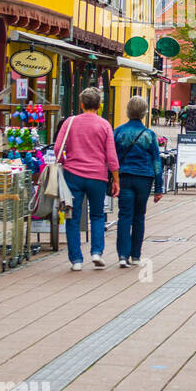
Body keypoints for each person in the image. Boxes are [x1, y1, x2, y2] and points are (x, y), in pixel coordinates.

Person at [54, 88, 120, 271]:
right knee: (98, 215)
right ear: (99, 105)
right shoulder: (104, 125)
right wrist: (116, 179)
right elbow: (111, 156)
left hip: (73, 174)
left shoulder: (70, 122)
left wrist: (64, 163)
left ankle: (76, 260)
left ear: (81, 104)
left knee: (72, 216)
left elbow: (58, 148)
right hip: (97, 176)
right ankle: (96, 252)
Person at [113, 96, 164, 268]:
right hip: (144, 178)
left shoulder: (119, 132)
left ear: (128, 111)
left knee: (124, 215)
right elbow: (157, 161)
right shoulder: (149, 135)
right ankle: (135, 255)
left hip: (125, 176)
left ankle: (122, 255)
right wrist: (159, 187)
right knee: (139, 216)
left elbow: (113, 158)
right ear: (144, 113)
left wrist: (112, 179)